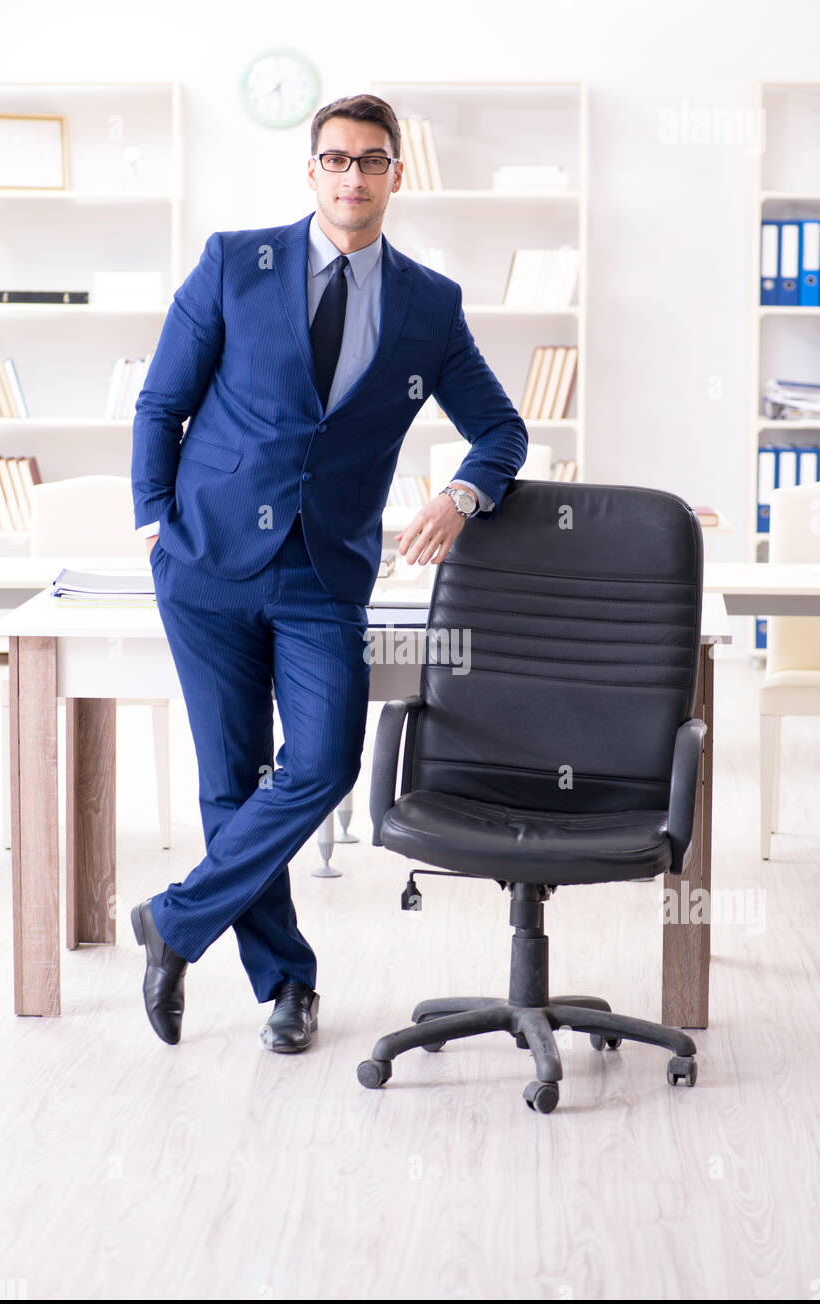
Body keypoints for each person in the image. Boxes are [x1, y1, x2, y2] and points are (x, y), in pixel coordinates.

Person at [129, 92, 528, 1052]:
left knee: (319, 764)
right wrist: (153, 522)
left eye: (373, 159)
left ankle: (174, 922)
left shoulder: (429, 305)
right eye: (337, 159)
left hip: (323, 573)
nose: (354, 175)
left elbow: (500, 430)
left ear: (398, 173)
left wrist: (460, 497)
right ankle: (286, 988)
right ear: (311, 171)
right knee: (230, 778)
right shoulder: (234, 261)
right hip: (208, 562)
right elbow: (161, 402)